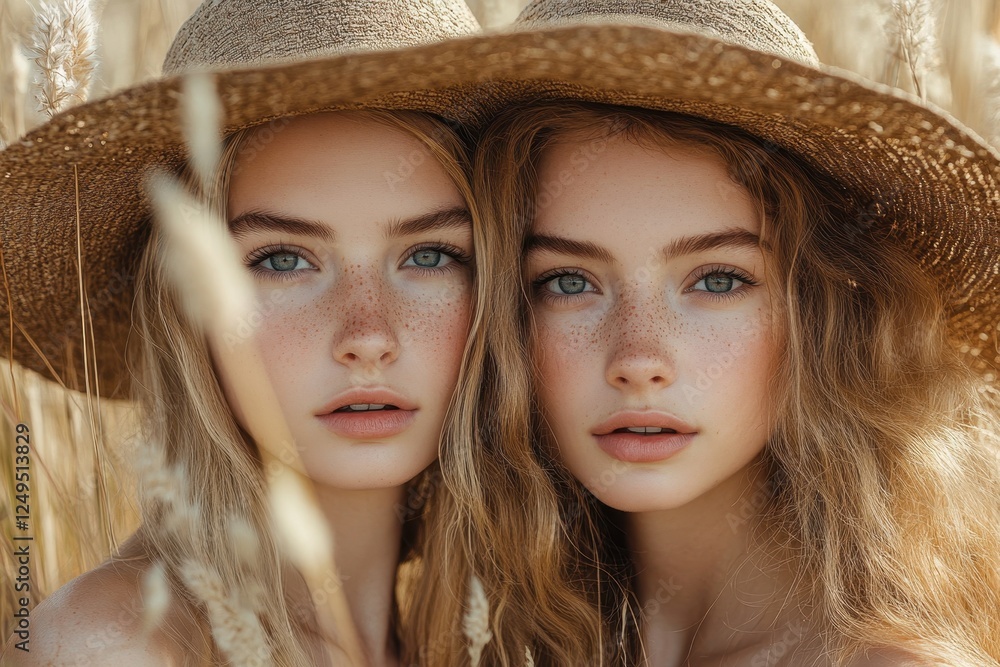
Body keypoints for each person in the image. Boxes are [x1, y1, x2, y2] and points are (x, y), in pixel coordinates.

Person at [470, 1, 1000, 665]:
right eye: (570, 282)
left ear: (821, 312)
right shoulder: (497, 640)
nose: (639, 358)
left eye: (717, 280)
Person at [0, 0, 510, 664]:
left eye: (430, 255)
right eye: (283, 260)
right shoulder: (117, 644)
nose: (367, 336)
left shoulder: (475, 638)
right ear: (185, 301)